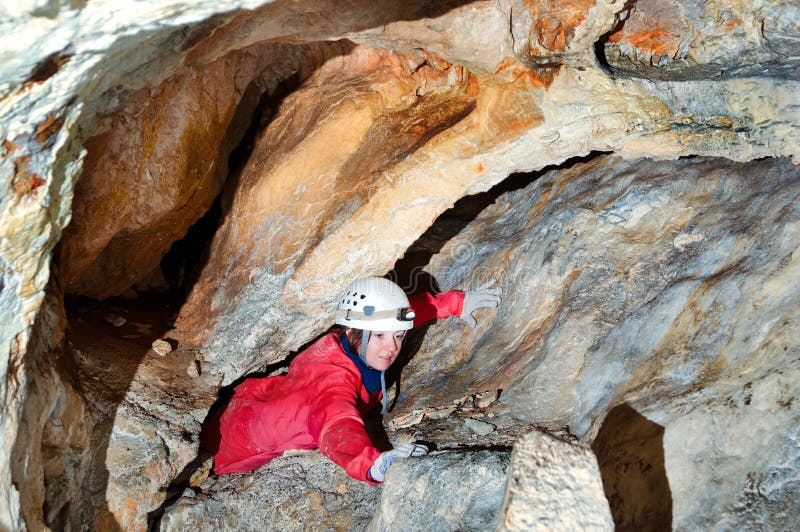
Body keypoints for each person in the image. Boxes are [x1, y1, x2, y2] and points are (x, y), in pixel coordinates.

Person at [201, 276, 502, 484]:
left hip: (251, 402)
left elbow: (408, 314)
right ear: (353, 332)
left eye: (398, 336)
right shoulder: (333, 383)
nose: (392, 347)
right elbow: (337, 428)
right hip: (232, 449)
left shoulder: (354, 339)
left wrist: (457, 303)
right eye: (382, 336)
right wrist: (374, 465)